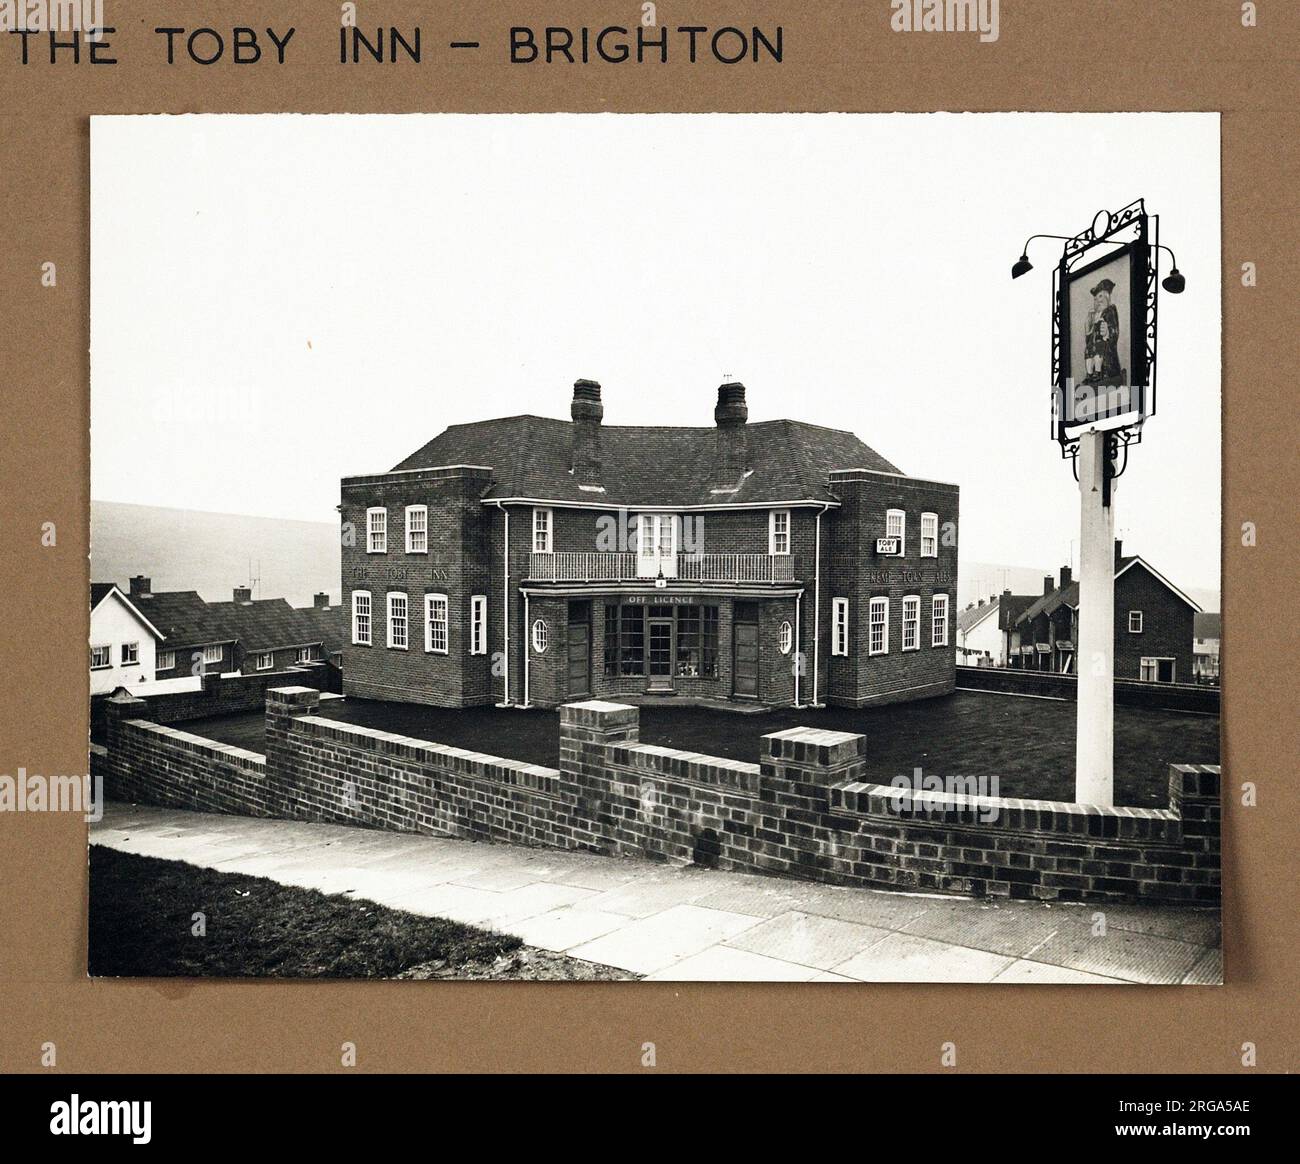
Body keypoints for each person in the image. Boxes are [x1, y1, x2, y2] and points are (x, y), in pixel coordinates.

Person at [1082, 277, 1123, 385]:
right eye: (1095, 299)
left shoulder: (1110, 311)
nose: (1097, 301)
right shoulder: (1094, 316)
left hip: (1107, 361)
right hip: (1094, 355)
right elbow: (1089, 341)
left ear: (1107, 296)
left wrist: (1108, 332)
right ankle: (1090, 375)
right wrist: (1088, 330)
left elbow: (1115, 332)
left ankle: (1097, 374)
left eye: (1100, 296)